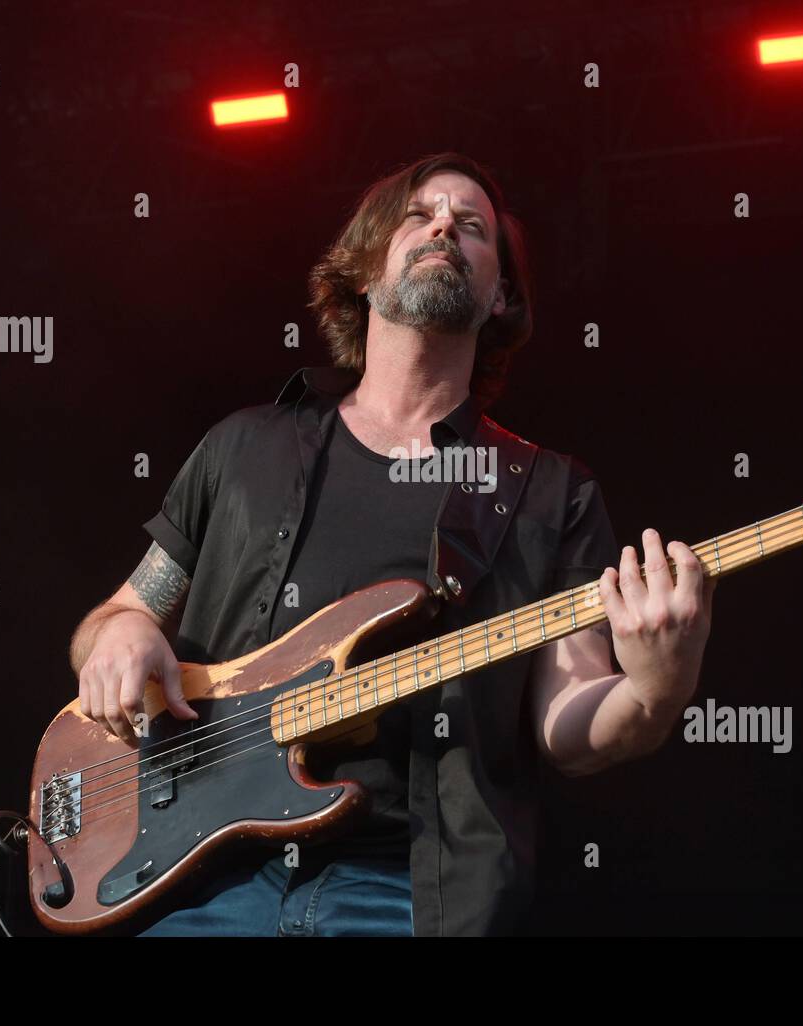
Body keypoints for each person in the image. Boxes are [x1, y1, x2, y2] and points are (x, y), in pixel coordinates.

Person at [67, 152, 715, 936]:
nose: (445, 224)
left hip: (406, 892)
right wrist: (124, 634)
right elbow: (122, 615)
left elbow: (568, 716)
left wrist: (655, 693)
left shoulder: (549, 492)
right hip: (200, 882)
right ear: (366, 270)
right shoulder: (244, 447)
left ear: (499, 294)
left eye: (472, 227)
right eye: (420, 214)